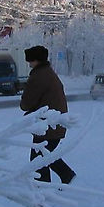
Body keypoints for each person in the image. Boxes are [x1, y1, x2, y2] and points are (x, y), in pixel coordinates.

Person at [19, 45, 76, 184]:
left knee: (38, 160)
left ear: (35, 60)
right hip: (54, 123)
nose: (29, 64)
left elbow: (26, 103)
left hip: (47, 126)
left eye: (30, 61)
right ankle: (67, 176)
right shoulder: (48, 72)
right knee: (46, 156)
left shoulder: (38, 76)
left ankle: (44, 189)